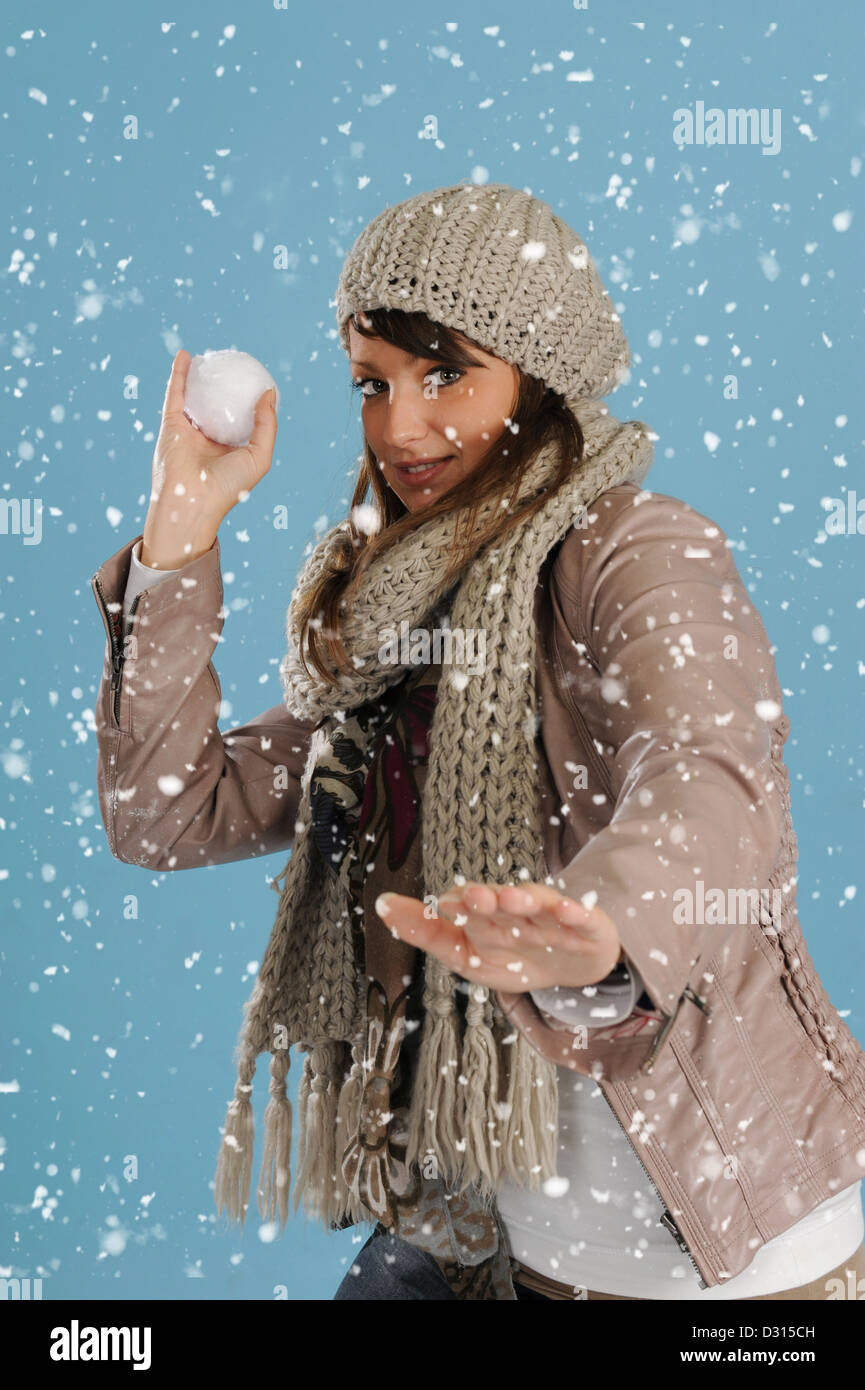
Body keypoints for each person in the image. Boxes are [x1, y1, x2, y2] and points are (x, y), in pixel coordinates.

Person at [90, 181, 865, 1301]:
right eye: (374, 383)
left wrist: (601, 931)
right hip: (496, 1242)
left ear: (537, 376)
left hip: (729, 1263)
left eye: (445, 372)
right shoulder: (395, 626)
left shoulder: (635, 551)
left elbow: (712, 782)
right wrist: (180, 529)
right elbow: (169, 809)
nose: (402, 427)